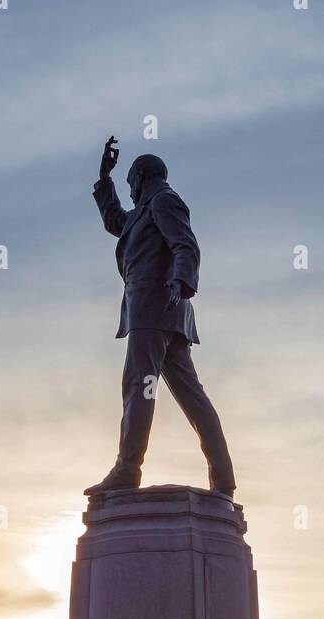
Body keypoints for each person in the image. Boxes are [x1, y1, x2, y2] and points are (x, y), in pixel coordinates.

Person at [86, 136, 236, 498]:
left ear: (140, 177)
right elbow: (116, 223)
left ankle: (127, 470)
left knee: (138, 387)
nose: (130, 191)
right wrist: (104, 179)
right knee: (192, 398)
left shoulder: (164, 201)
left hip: (155, 307)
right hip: (165, 313)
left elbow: (186, 244)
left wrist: (181, 280)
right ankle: (224, 478)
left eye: (129, 183)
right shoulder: (145, 209)